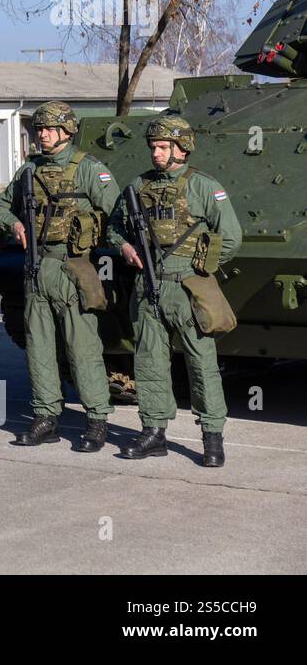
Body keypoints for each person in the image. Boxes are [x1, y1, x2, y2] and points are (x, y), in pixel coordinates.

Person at [108, 116, 242, 467]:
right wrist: (124, 247)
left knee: (201, 363)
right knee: (149, 362)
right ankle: (153, 432)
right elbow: (115, 227)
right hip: (147, 286)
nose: (156, 152)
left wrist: (202, 265)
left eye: (163, 147)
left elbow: (230, 236)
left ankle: (212, 437)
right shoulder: (138, 185)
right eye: (153, 147)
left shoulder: (202, 186)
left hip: (188, 287)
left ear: (182, 147)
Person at [0, 101, 118, 452]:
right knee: (39, 347)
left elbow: (116, 214)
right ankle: (46, 417)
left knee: (83, 347)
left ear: (66, 131)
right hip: (35, 267)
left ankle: (96, 420)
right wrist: (12, 222)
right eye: (39, 129)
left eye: (48, 129)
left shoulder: (89, 168)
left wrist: (112, 243)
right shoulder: (29, 170)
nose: (41, 134)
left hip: (74, 267)